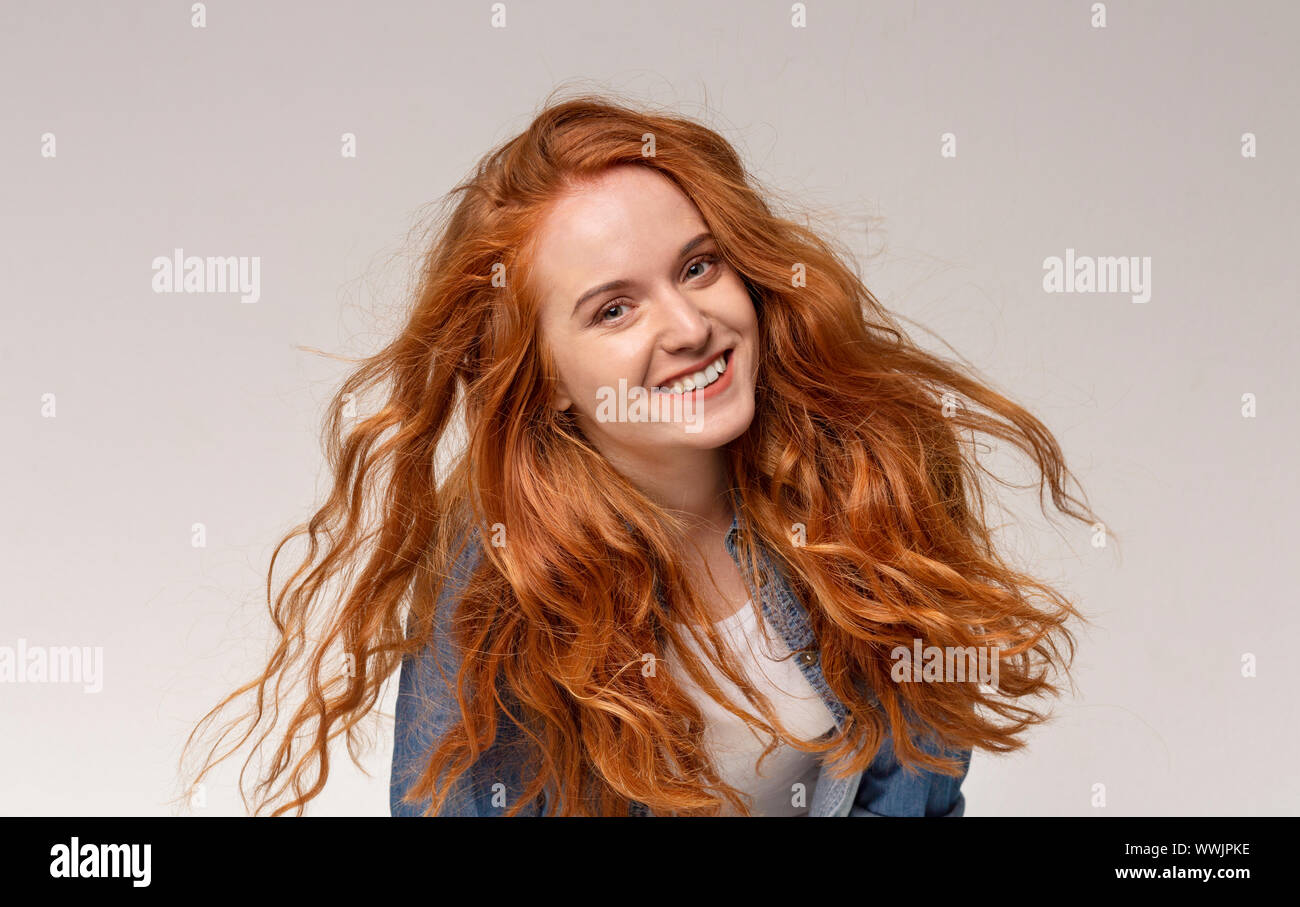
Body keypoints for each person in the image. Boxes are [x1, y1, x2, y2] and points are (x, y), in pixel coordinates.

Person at [182, 91, 1106, 817]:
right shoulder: (499, 595)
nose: (689, 325)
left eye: (699, 265)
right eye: (613, 308)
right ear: (543, 375)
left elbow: (918, 785)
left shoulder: (865, 473)